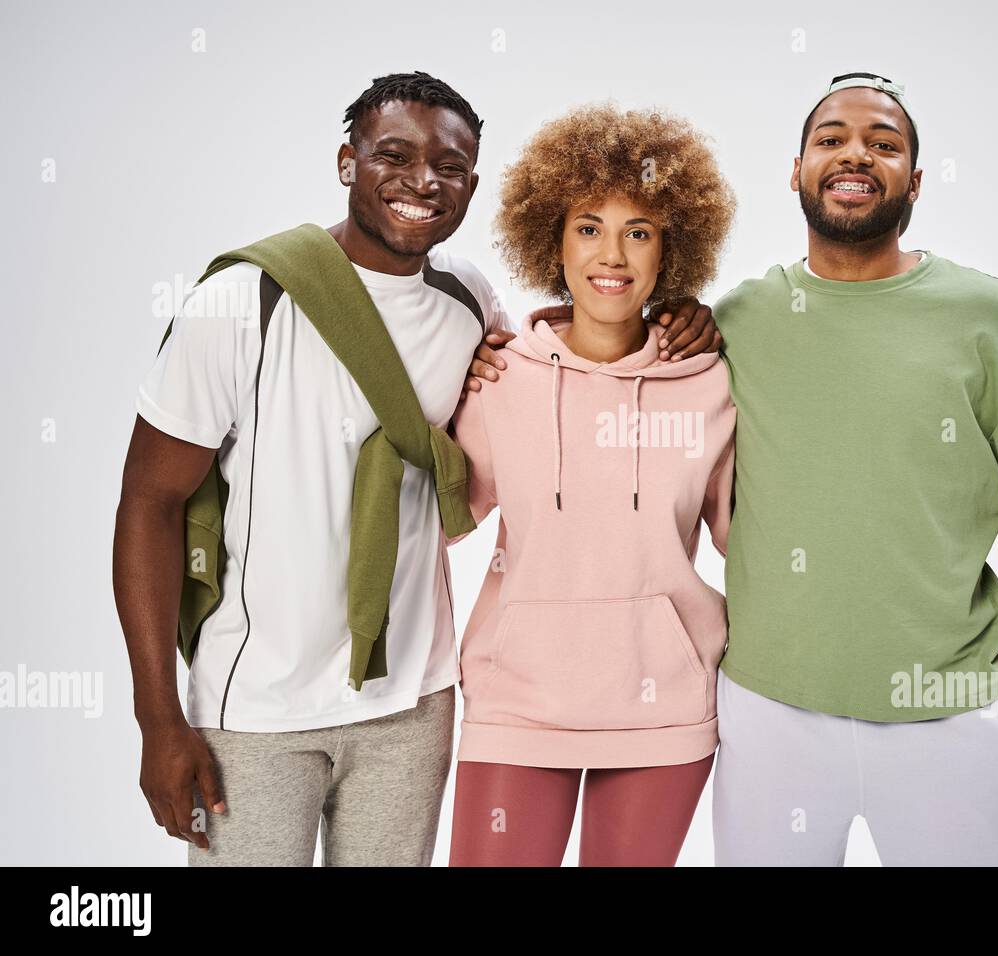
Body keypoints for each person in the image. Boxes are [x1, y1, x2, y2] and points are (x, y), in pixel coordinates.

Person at [112, 72, 720, 866]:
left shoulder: (470, 302)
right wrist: (158, 720)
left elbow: (567, 366)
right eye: (393, 155)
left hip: (413, 705)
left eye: (451, 166)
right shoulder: (242, 301)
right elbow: (148, 502)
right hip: (256, 708)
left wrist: (686, 314)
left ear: (473, 181)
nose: (423, 182)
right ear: (346, 160)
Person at [709, 73, 998, 866]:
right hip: (771, 712)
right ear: (798, 169)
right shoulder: (740, 318)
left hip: (953, 717)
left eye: (885, 143)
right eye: (831, 138)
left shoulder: (989, 314)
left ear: (913, 180)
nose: (856, 154)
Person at [446, 104, 737, 866]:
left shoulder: (711, 384)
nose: (613, 254)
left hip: (662, 711)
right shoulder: (501, 376)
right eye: (588, 227)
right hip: (518, 704)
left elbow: (753, 543)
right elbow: (440, 522)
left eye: (639, 230)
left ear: (671, 248)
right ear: (553, 239)